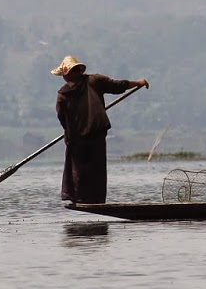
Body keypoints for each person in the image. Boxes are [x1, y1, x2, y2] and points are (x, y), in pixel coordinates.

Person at [51, 55, 148, 205]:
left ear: (68, 74)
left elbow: (61, 117)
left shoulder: (64, 94)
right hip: (95, 135)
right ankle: (95, 199)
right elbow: (117, 85)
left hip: (77, 138)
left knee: (78, 170)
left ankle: (79, 198)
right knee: (96, 169)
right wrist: (138, 82)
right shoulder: (94, 81)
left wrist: (70, 131)